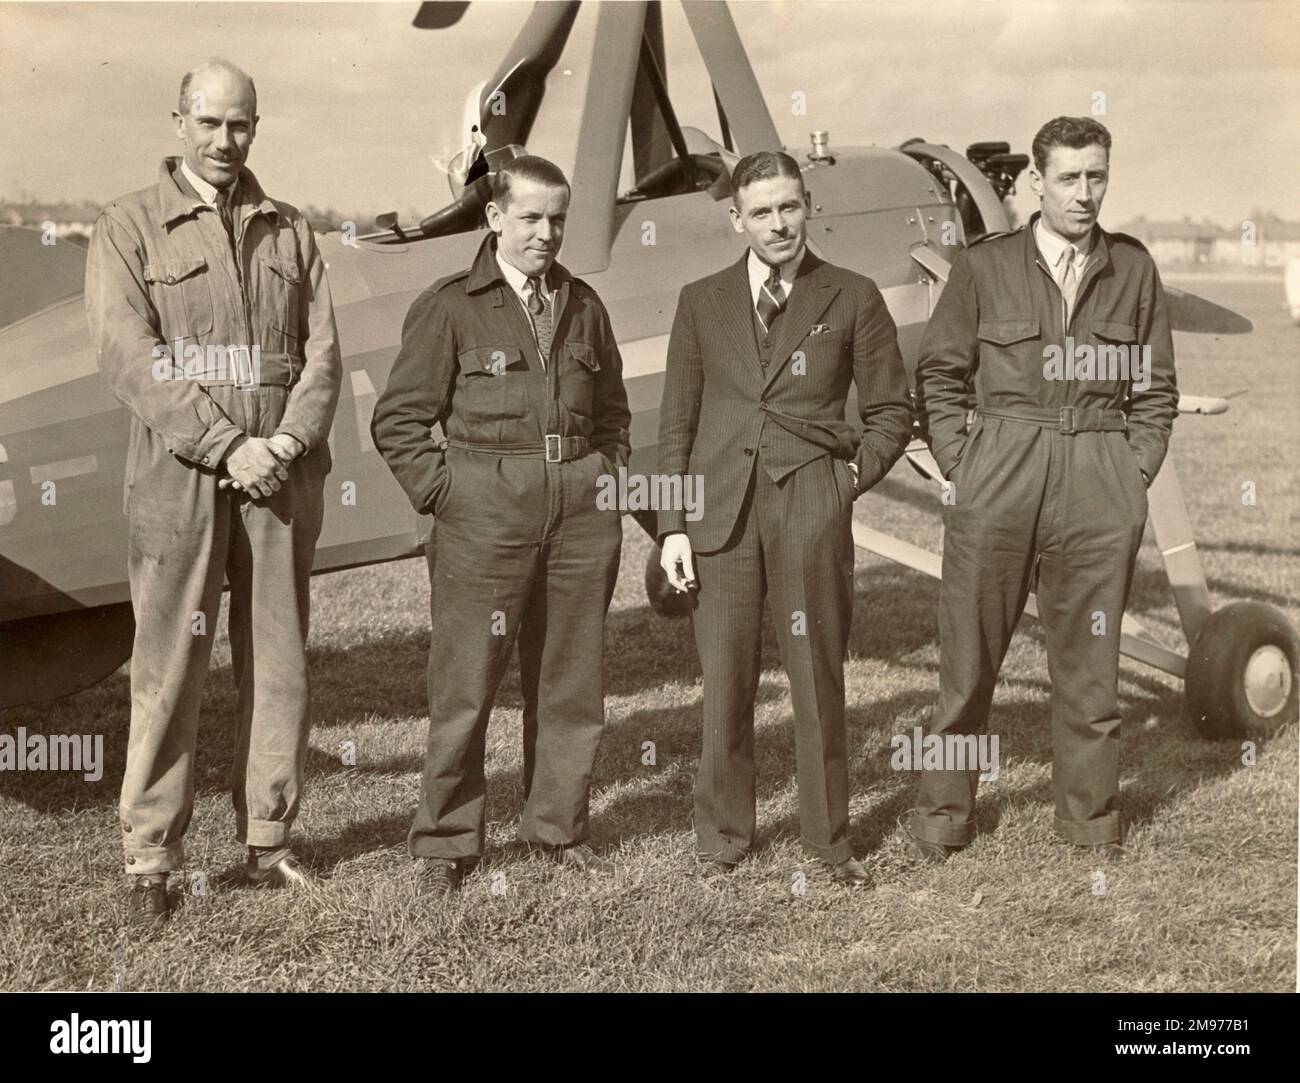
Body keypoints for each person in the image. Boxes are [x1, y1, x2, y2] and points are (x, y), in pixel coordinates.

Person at [85, 59, 342, 928]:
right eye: (210, 125)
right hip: (180, 476)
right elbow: (130, 355)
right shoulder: (128, 227)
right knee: (170, 667)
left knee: (280, 661)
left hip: (278, 472)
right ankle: (151, 855)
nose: (226, 142)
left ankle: (269, 838)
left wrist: (287, 441)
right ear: (179, 122)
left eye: (242, 126)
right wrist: (227, 445)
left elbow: (322, 355)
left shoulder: (292, 231)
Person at [911, 116, 1178, 862]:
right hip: (1002, 468)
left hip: (1097, 476)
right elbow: (939, 373)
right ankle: (941, 817)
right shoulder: (985, 265)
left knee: (1090, 668)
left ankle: (1089, 823)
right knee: (967, 664)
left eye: (1097, 176)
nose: (1084, 193)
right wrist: (966, 463)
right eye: (1069, 177)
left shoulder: (1133, 269)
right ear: (1037, 181)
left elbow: (1155, 391)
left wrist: (1131, 474)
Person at [371, 155, 631, 895]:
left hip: (580, 512)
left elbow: (613, 412)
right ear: (493, 218)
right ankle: (447, 840)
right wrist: (449, 493)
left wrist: (604, 475)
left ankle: (557, 826)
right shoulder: (452, 304)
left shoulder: (583, 304)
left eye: (557, 219)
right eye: (530, 218)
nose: (546, 233)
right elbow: (399, 419)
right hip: (485, 513)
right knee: (466, 682)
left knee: (570, 678)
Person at [656, 151, 913, 884]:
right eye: (762, 211)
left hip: (809, 506)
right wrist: (673, 523)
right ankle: (722, 839)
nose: (778, 224)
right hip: (721, 519)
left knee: (816, 680)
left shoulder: (852, 295)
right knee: (726, 682)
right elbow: (676, 420)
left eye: (789, 207)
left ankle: (830, 845)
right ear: (737, 218)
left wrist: (843, 483)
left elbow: (892, 412)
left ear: (809, 207)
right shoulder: (699, 300)